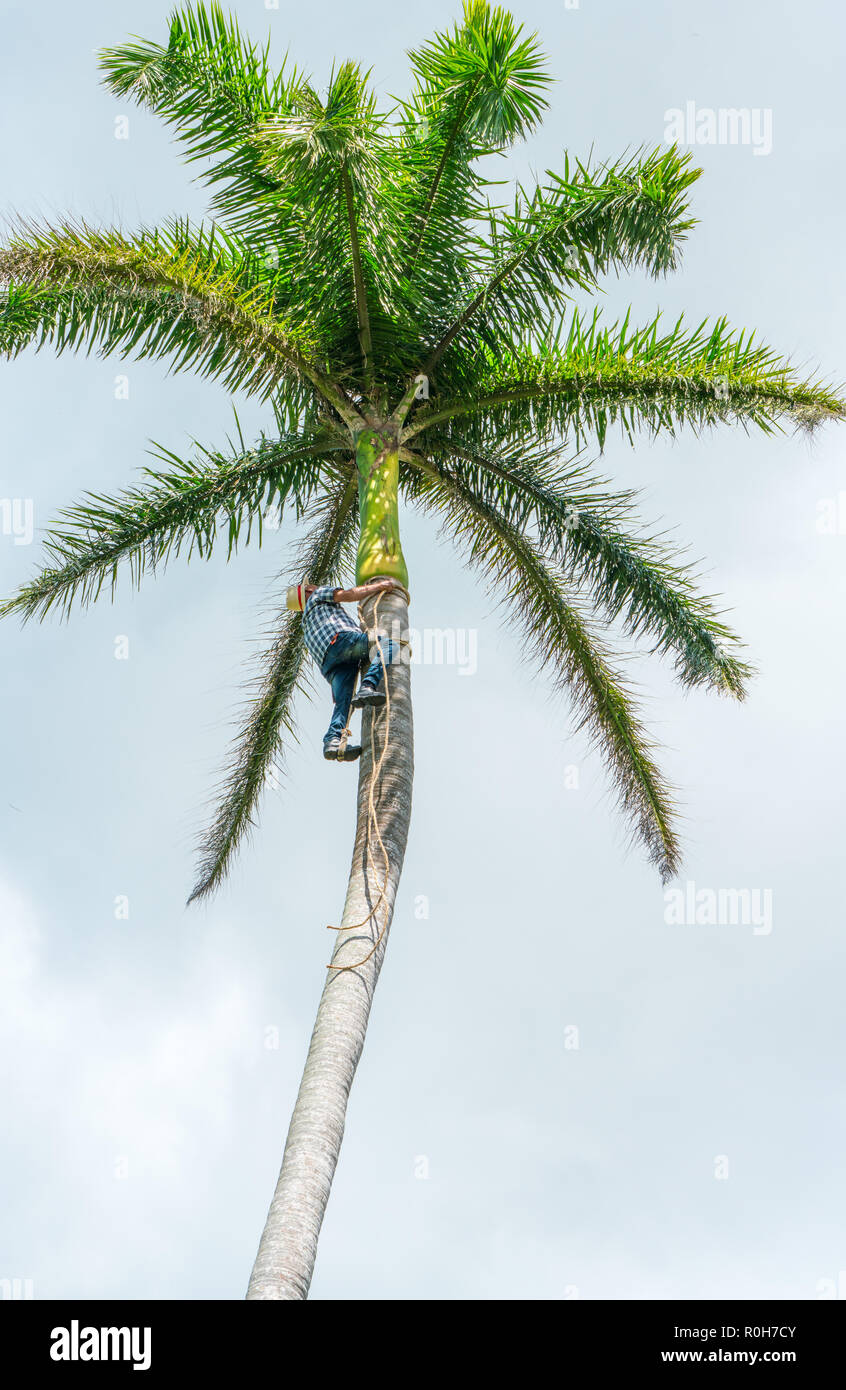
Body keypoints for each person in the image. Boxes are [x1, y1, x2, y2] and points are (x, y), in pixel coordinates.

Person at [286, 577, 400, 762]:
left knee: (343, 704)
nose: (314, 585)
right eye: (310, 585)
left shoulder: (306, 622)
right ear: (307, 591)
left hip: (330, 665)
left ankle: (333, 742)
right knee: (388, 646)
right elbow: (348, 595)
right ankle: (368, 686)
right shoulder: (317, 595)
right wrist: (380, 586)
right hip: (340, 642)